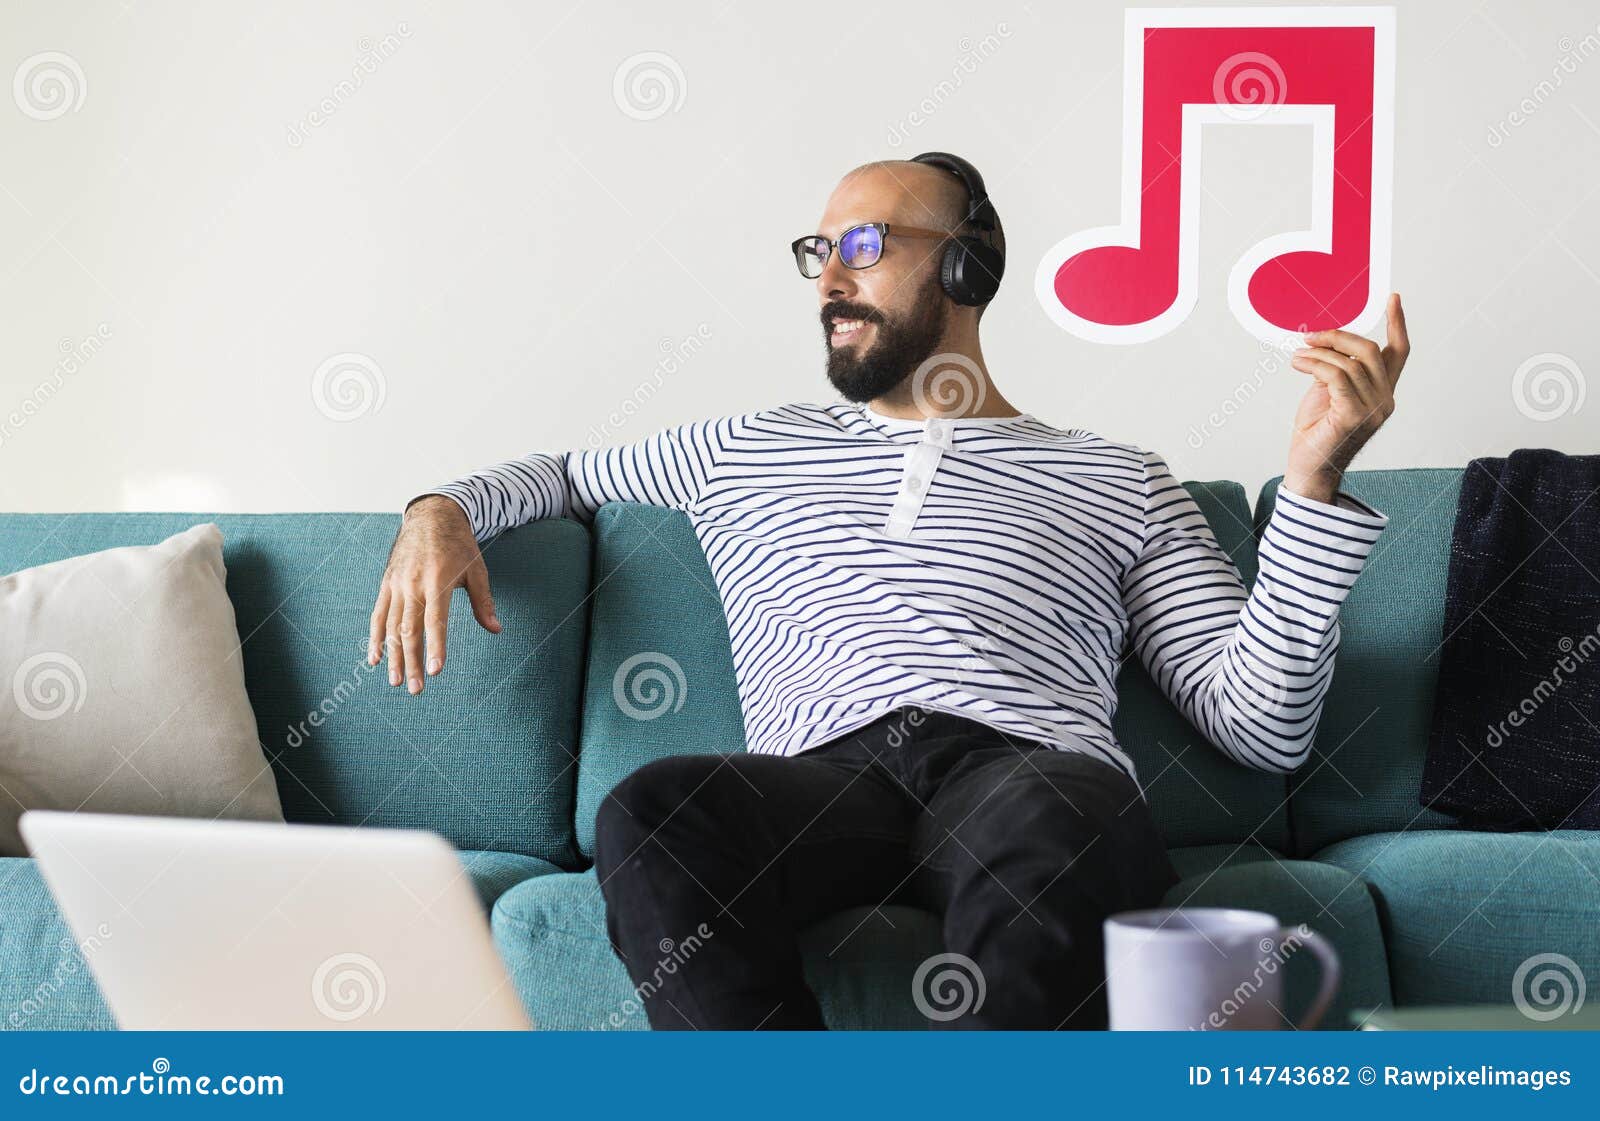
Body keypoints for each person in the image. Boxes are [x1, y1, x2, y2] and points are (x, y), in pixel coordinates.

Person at [368, 152, 1410, 1029]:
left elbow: (1259, 726)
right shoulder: (746, 446)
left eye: (863, 246)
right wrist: (440, 511)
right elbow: (559, 474)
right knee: (653, 806)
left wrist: (1314, 483)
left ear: (966, 264)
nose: (830, 277)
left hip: (1025, 771)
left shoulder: (1117, 475)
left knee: (1061, 812)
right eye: (817, 252)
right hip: (822, 782)